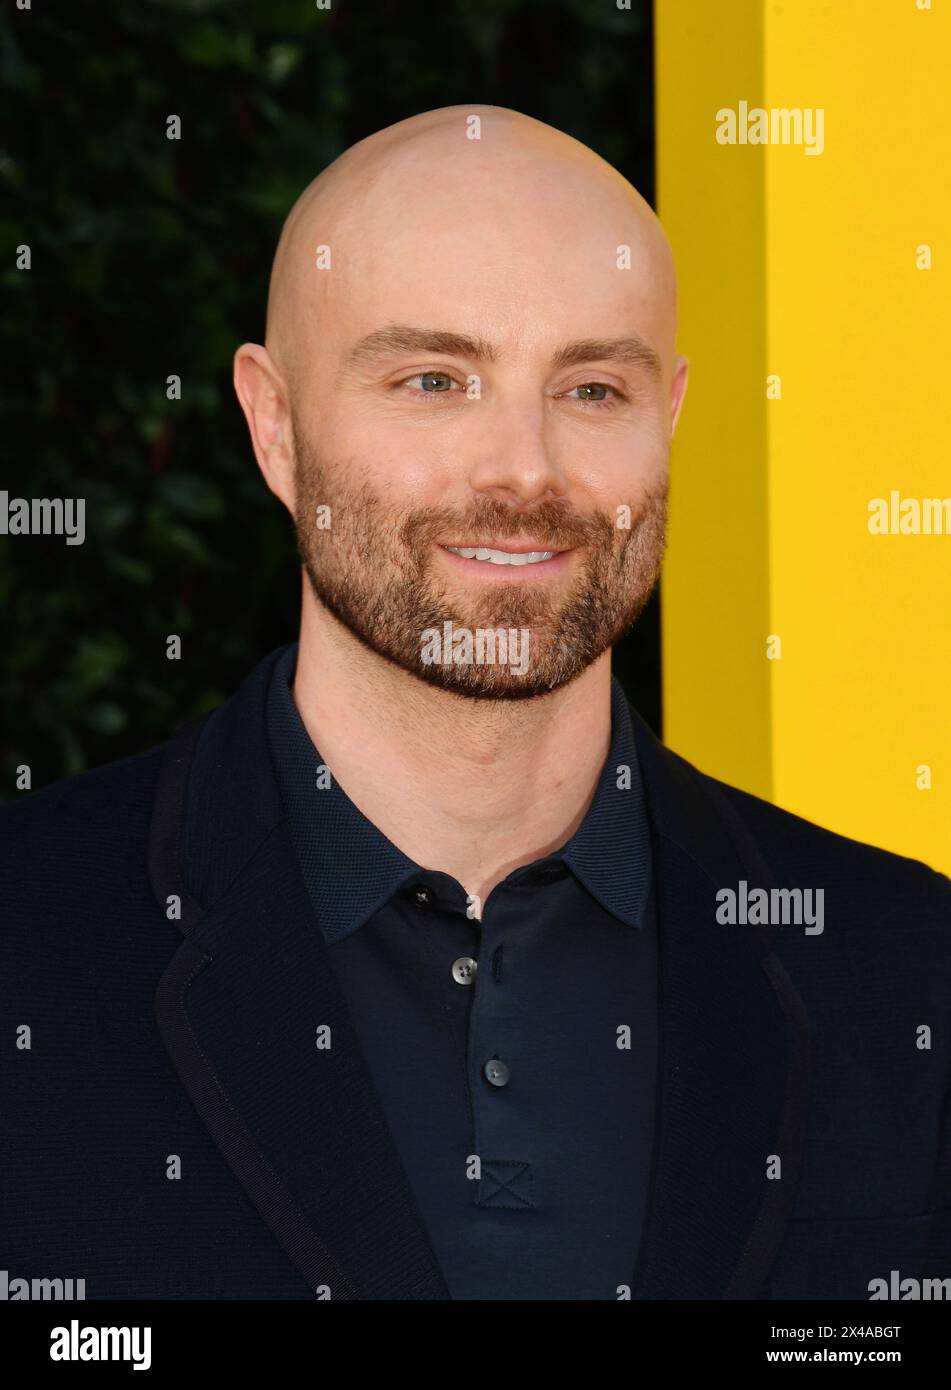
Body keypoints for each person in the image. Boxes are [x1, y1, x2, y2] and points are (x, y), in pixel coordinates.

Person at [2, 105, 948, 1301]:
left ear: (672, 416)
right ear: (275, 425)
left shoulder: (906, 967)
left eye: (593, 387)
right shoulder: (26, 941)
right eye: (434, 378)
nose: (523, 471)